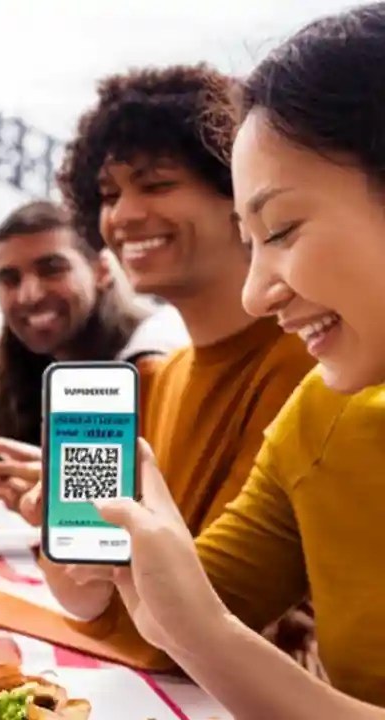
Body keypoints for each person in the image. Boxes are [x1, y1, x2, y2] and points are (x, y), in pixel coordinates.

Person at [77, 5, 385, 713]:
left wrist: (205, 633)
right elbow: (166, 627)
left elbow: (200, 629)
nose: (256, 294)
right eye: (252, 240)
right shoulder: (323, 411)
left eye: (281, 229)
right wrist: (122, 551)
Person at [0, 65, 314, 534]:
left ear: (238, 191)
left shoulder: (303, 370)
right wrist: (59, 515)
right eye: (108, 195)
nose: (124, 215)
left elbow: (216, 591)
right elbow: (98, 585)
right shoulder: (146, 383)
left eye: (157, 185)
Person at [0, 199, 184, 449]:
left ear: (102, 271)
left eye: (52, 270)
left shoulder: (154, 359)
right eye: (10, 280)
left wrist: (44, 482)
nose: (29, 295)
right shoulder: (17, 382)